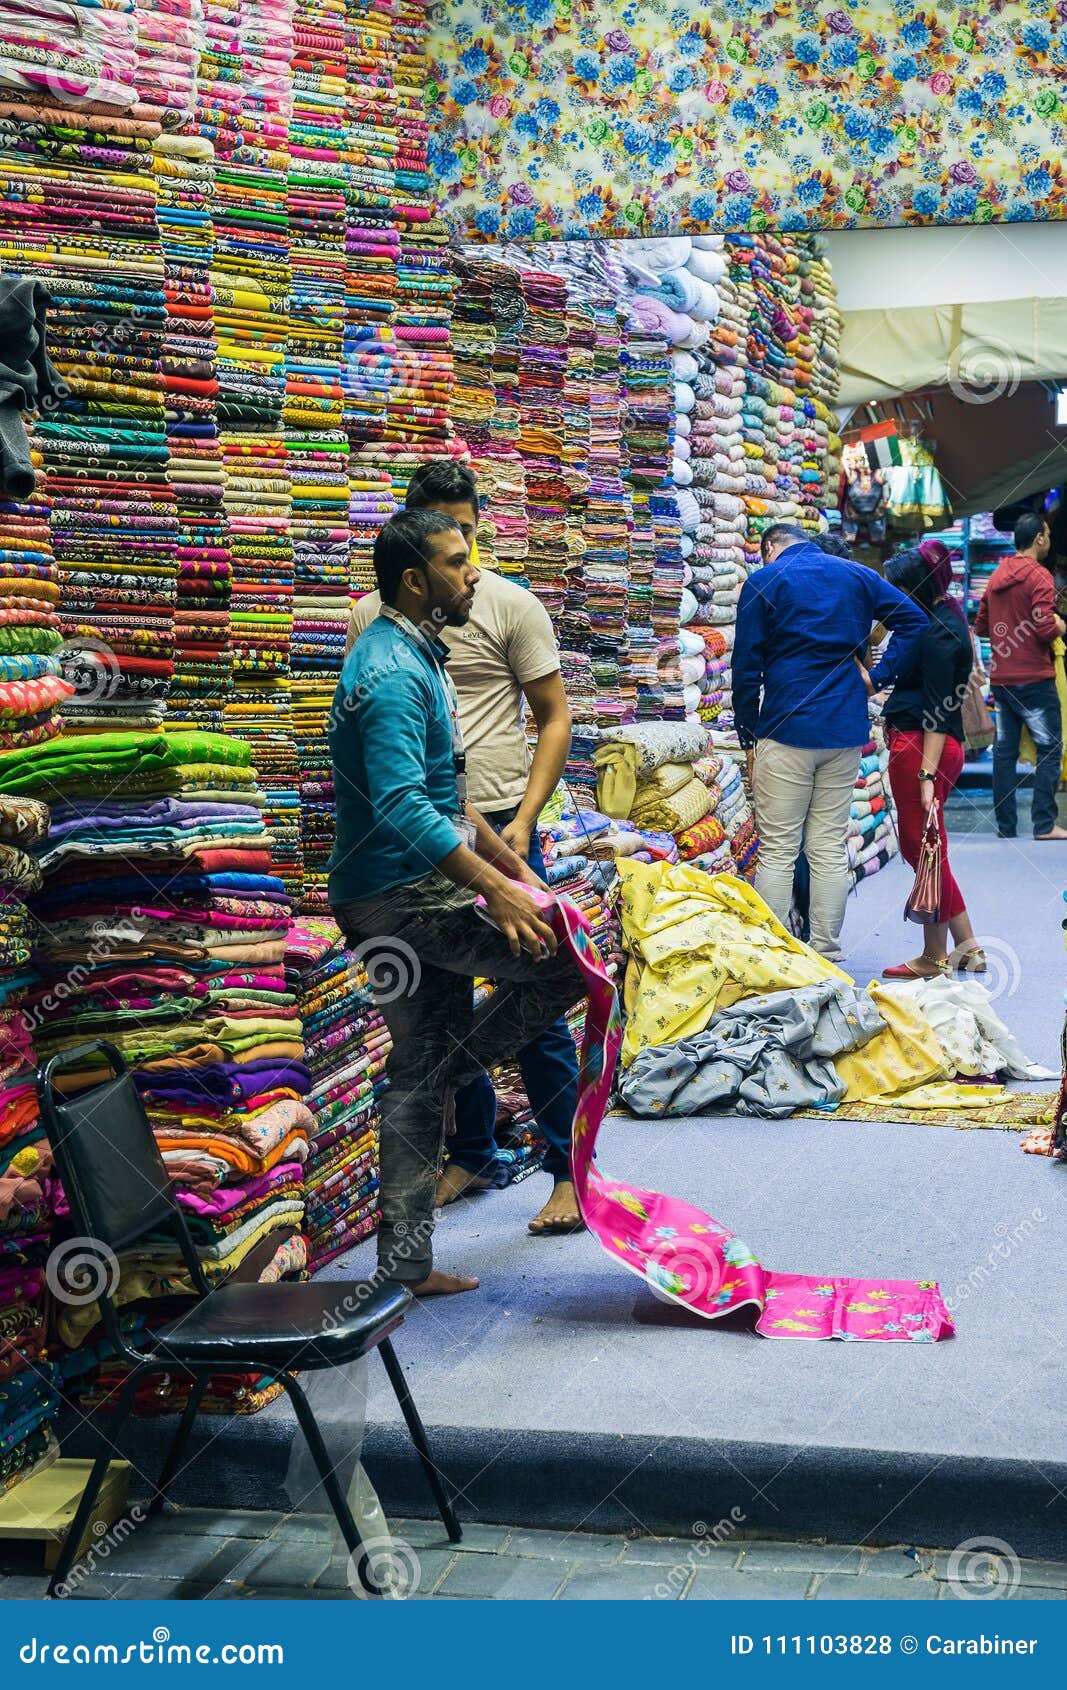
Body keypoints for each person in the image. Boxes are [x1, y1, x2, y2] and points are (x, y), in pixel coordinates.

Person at [329, 509, 586, 1297]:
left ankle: (404, 1267)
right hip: (398, 899)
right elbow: (404, 806)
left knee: (415, 1078)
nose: (473, 574)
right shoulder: (394, 676)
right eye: (458, 563)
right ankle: (440, 1076)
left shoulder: (415, 651)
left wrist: (514, 869)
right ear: (415, 581)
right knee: (564, 966)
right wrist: (494, 892)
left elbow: (449, 798)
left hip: (405, 889)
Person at [733, 522, 926, 959]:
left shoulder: (764, 581)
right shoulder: (856, 575)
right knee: (827, 843)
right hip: (843, 728)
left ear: (769, 548)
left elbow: (745, 667)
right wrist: (878, 678)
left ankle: (776, 954)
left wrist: (748, 734)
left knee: (780, 847)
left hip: (786, 727)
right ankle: (827, 948)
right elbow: (915, 621)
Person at [870, 546, 984, 978]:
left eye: (895, 588)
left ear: (914, 586)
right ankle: (967, 947)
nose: (890, 595)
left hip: (923, 747)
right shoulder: (944, 619)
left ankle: (935, 956)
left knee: (924, 849)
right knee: (929, 847)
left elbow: (938, 708)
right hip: (927, 744)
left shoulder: (939, 631)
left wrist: (924, 772)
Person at [975, 511, 1067, 840]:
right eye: (1047, 535)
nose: (1050, 541)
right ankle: (1044, 824)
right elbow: (1044, 625)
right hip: (1035, 679)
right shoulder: (1039, 575)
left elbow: (982, 626)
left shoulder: (998, 574)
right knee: (1049, 747)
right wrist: (1060, 624)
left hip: (1002, 682)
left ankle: (1006, 827)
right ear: (1039, 538)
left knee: (1004, 754)